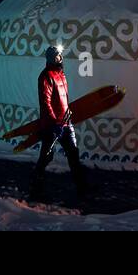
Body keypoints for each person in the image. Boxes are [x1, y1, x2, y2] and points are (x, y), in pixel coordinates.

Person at [30, 45, 91, 196]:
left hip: (65, 121)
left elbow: (62, 99)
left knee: (73, 154)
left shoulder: (61, 74)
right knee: (46, 156)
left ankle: (82, 188)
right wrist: (54, 122)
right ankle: (36, 188)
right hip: (53, 125)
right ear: (52, 58)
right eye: (58, 56)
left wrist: (67, 110)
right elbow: (46, 102)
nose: (61, 58)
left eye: (60, 55)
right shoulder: (46, 76)